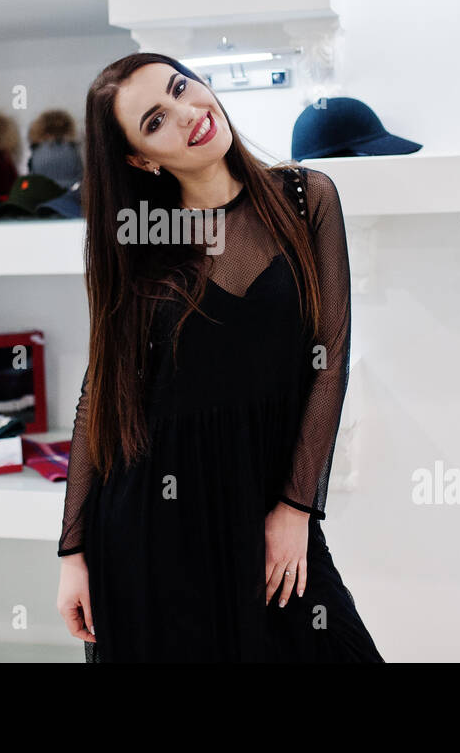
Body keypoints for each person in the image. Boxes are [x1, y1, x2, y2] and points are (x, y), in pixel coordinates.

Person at [55, 51, 383, 662]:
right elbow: (99, 393)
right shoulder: (141, 237)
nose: (187, 113)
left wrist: (294, 510)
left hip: (263, 503)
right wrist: (74, 553)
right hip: (151, 530)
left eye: (182, 89)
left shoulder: (306, 197)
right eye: (155, 121)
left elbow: (329, 359)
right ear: (141, 159)